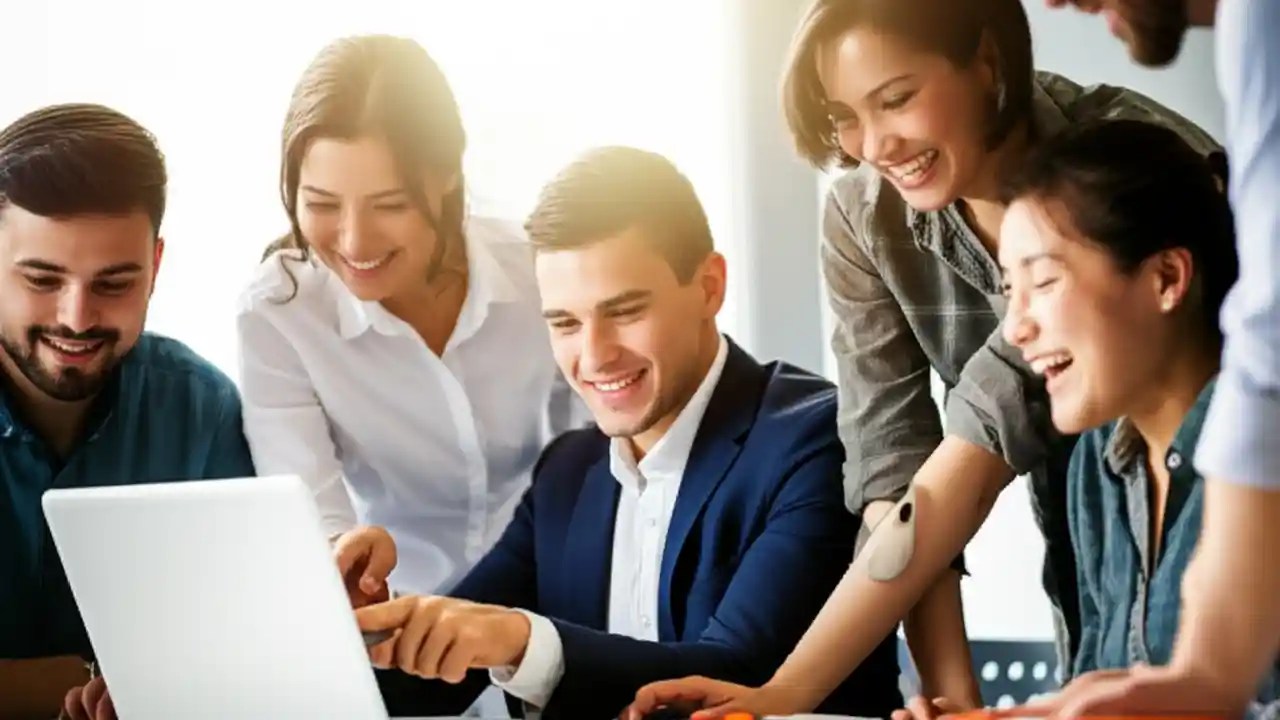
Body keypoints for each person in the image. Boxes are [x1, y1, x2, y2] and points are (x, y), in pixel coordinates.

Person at [624, 1, 1222, 718]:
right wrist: (949, 701)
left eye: (897, 98)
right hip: (1102, 565)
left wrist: (790, 689)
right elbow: (900, 479)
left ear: (987, 61)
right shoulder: (865, 218)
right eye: (842, 113)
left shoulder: (1127, 172)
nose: (874, 144)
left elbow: (972, 449)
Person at [331, 146, 902, 720]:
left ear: (709, 287)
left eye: (625, 312)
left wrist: (521, 642)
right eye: (566, 324)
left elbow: (739, 676)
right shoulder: (567, 474)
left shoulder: (819, 441)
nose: (595, 356)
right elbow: (436, 677)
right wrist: (370, 628)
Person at [236, 35, 586, 598]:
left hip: (557, 598)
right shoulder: (278, 312)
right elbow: (313, 521)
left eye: (390, 205)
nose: (353, 241)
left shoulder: (535, 266)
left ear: (448, 172)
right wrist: (346, 570)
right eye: (322, 204)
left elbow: (602, 455)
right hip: (397, 614)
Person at [1021, 1, 1280, 717]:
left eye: (1042, 281)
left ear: (1166, 278)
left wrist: (1205, 683)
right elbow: (1112, 690)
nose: (1016, 326)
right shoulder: (1096, 464)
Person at [0, 103, 255, 720]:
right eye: (41, 279)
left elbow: (237, 647)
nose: (77, 317)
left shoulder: (202, 408)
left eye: (113, 284)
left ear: (156, 268)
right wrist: (83, 678)